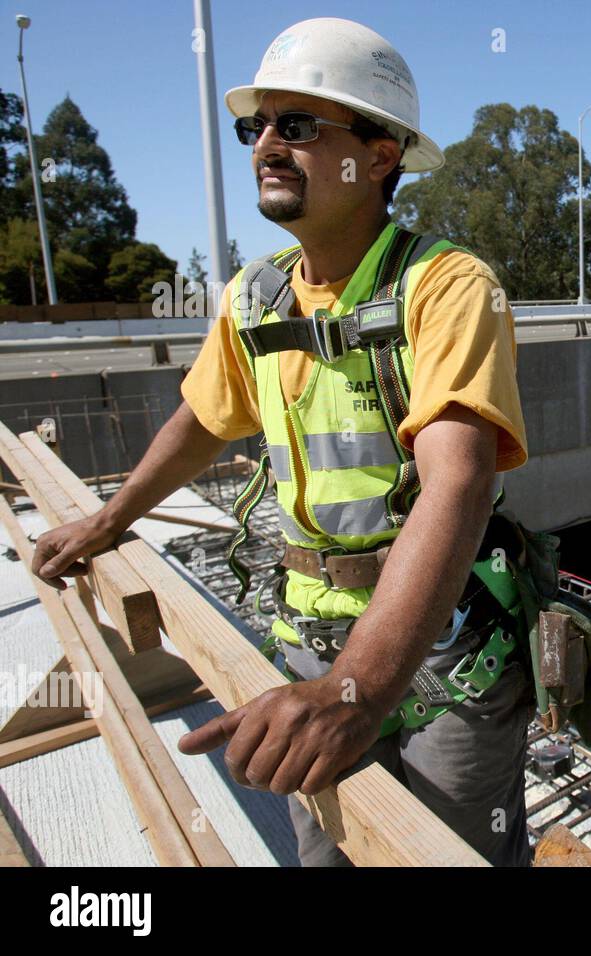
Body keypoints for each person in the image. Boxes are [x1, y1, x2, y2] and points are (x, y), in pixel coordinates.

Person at [29, 17, 534, 866]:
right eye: (254, 126)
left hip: (442, 656)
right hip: (311, 635)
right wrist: (109, 521)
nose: (265, 143)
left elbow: (458, 485)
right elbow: (201, 421)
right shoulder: (255, 297)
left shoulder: (446, 286)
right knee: (329, 852)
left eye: (297, 125)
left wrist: (359, 692)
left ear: (381, 155)